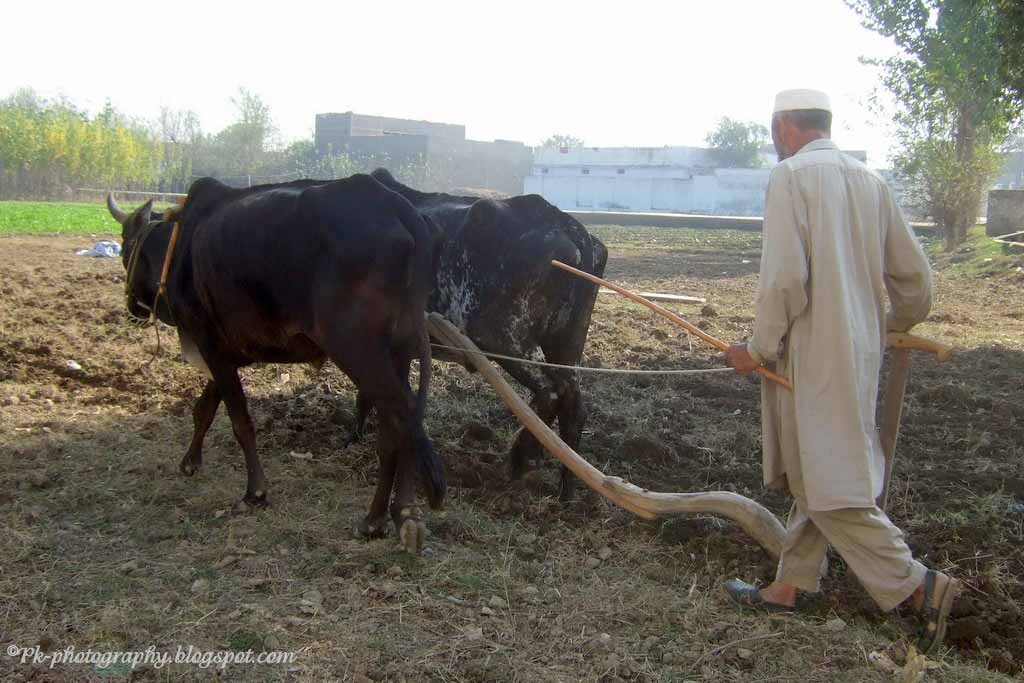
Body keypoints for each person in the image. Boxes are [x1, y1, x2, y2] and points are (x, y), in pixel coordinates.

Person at [722, 88, 959, 654]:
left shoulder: (791, 178)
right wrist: (895, 323)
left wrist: (756, 348)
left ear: (783, 127)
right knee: (818, 462)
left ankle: (919, 584)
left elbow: (783, 279)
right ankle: (790, 584)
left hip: (811, 350)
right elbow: (915, 279)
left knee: (828, 482)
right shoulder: (870, 182)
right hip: (859, 350)